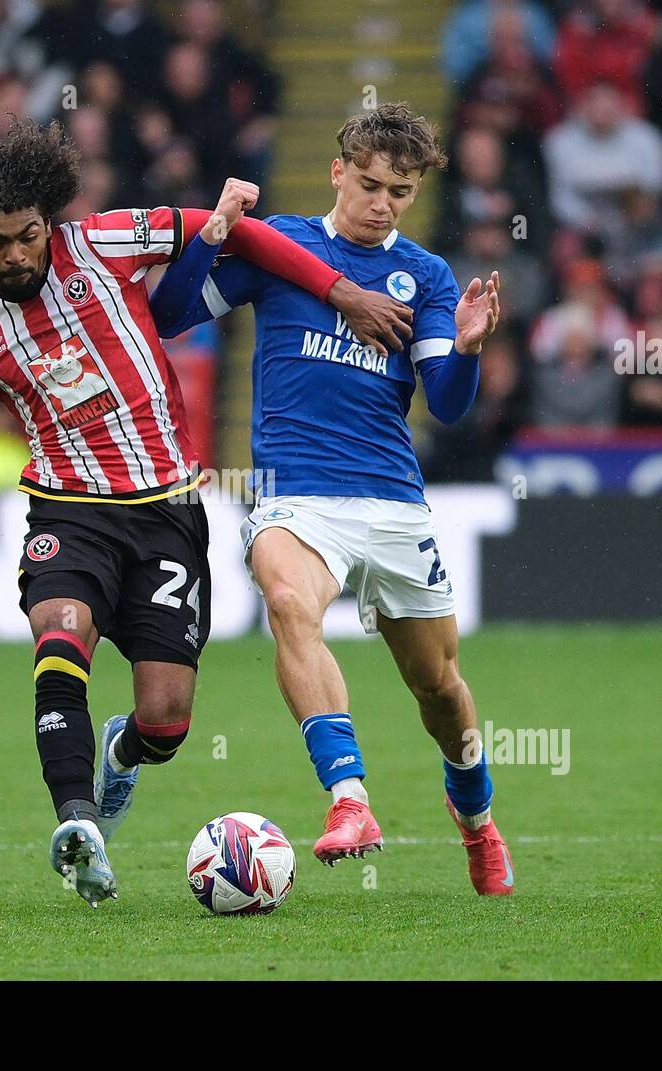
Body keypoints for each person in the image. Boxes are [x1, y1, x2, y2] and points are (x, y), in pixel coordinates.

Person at [0, 121, 411, 908]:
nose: (16, 255)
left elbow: (247, 239)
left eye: (29, 235)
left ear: (51, 222)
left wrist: (339, 291)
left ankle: (125, 750)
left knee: (167, 720)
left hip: (169, 509)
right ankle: (79, 825)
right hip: (68, 512)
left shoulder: (107, 243)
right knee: (61, 629)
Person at [150, 103, 515, 894]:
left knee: (439, 689)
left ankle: (477, 820)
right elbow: (168, 316)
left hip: (390, 500)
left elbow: (446, 403)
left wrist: (471, 349)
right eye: (373, 183)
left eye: (402, 191)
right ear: (337, 171)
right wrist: (212, 232)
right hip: (296, 493)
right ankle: (349, 799)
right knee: (287, 598)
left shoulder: (424, 275)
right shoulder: (279, 245)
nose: (383, 201)